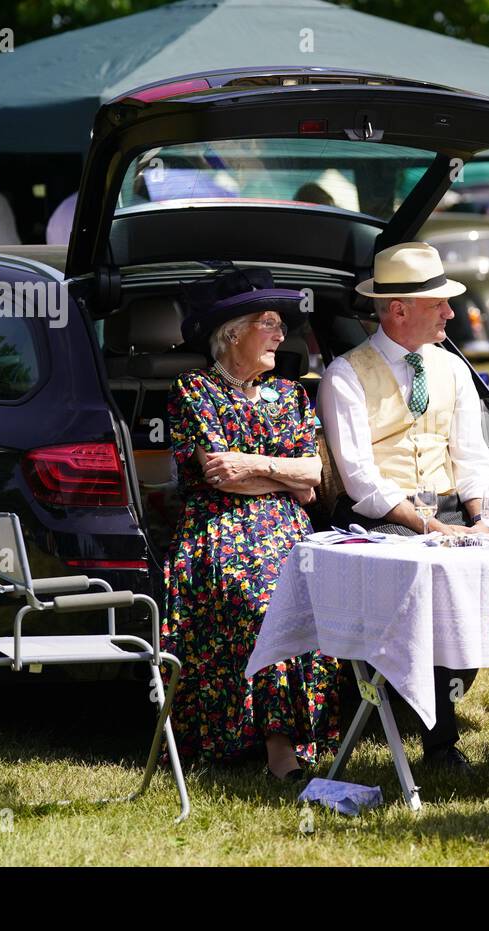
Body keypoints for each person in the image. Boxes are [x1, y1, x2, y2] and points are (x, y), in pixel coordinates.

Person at [319, 241, 489, 769]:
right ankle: (439, 742)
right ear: (398, 310)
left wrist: (481, 515)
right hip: (384, 522)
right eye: (439, 302)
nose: (449, 312)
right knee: (427, 594)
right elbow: (360, 480)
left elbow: (471, 454)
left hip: (451, 512)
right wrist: (424, 524)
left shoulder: (453, 369)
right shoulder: (345, 375)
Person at [162, 267, 337, 780]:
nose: (283, 334)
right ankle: (279, 751)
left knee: (322, 588)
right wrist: (284, 476)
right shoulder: (193, 390)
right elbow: (220, 478)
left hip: (289, 528)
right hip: (219, 533)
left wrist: (257, 466)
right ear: (233, 332)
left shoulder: (291, 395)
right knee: (268, 603)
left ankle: (317, 730)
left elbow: (313, 477)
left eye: (282, 324)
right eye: (269, 322)